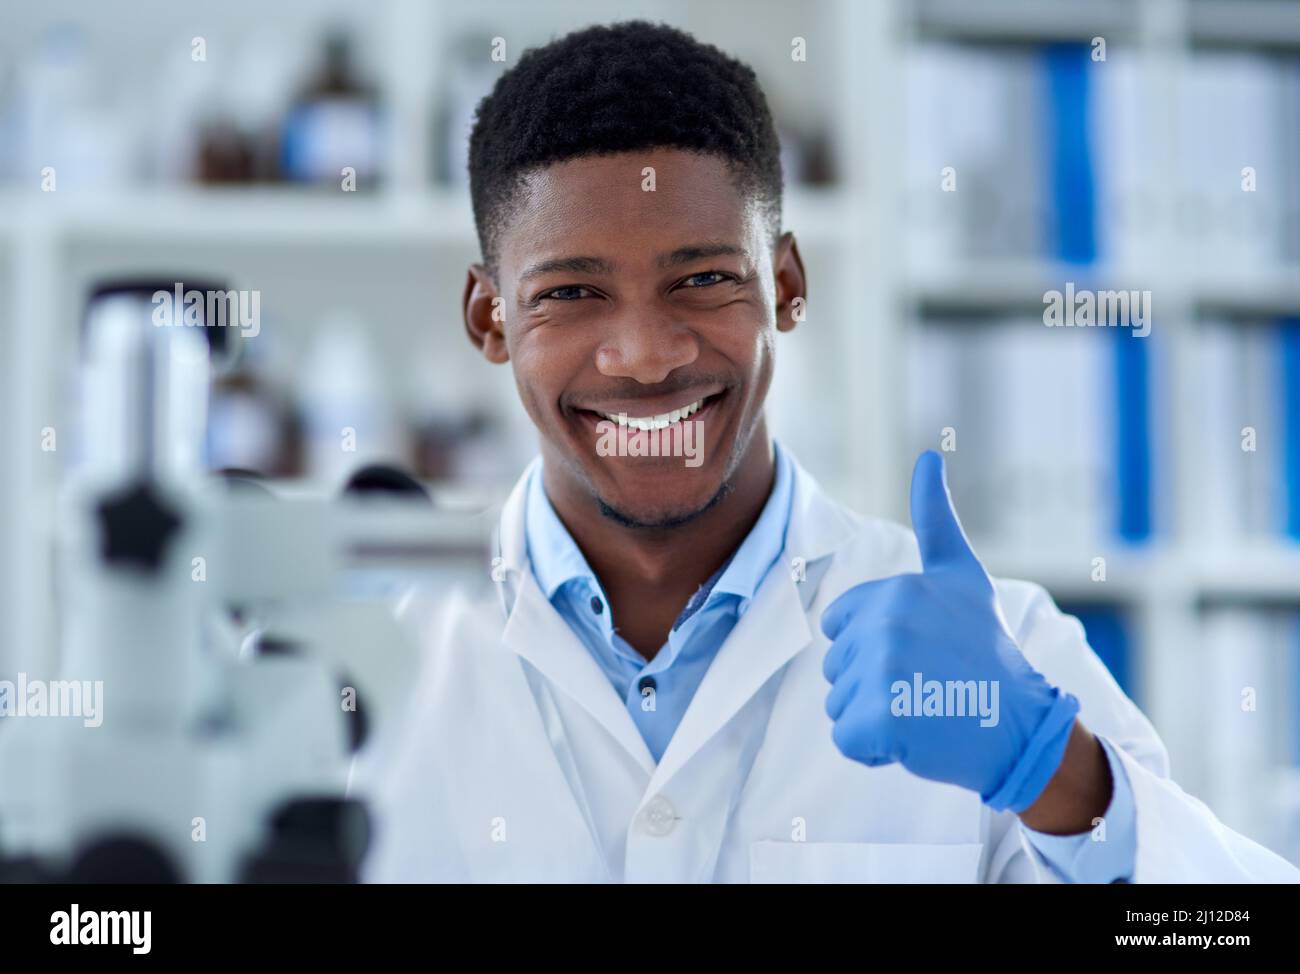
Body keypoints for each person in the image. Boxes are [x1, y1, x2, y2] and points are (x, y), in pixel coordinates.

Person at [356, 21, 1298, 883]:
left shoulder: (997, 652)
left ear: (787, 285)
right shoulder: (360, 668)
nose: (645, 355)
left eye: (704, 279)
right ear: (490, 317)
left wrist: (1051, 769)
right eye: (570, 293)